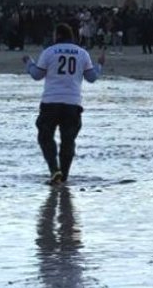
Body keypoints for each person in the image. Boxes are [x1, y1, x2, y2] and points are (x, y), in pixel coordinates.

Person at [23, 24, 104, 186]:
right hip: (72, 103)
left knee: (45, 137)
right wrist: (100, 65)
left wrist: (29, 63)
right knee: (68, 140)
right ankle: (64, 176)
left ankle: (54, 170)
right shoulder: (82, 53)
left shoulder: (49, 52)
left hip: (50, 101)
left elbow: (37, 75)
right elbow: (92, 77)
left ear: (57, 36)